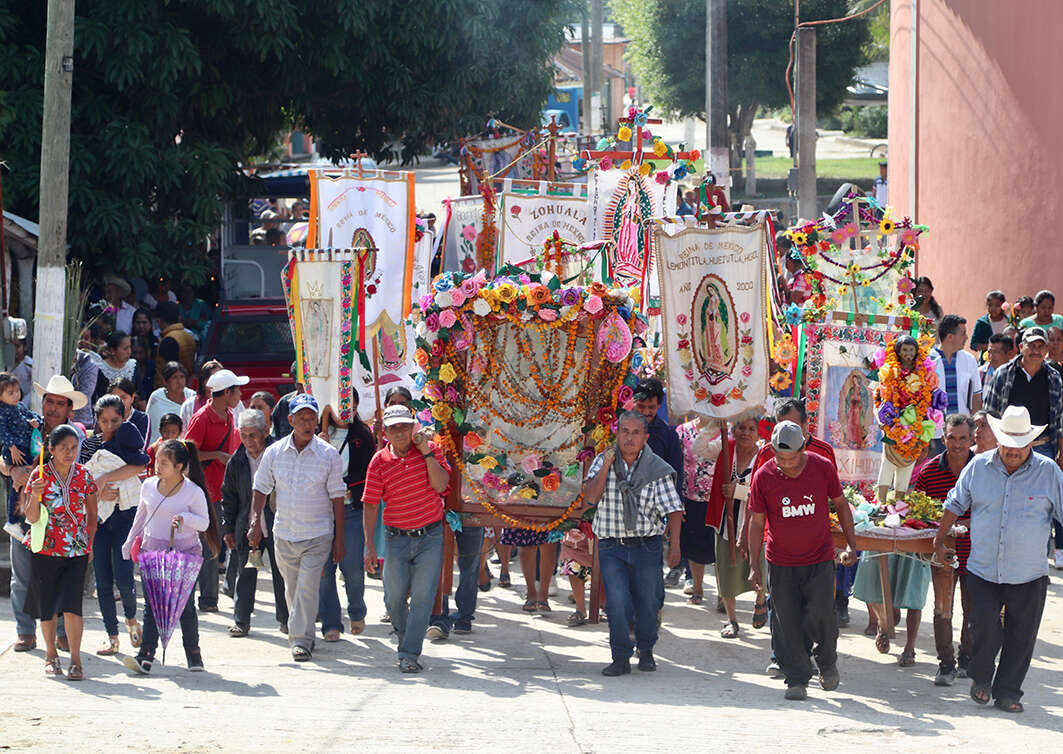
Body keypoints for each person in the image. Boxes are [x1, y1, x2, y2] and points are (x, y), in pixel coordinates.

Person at [935, 406, 1063, 713]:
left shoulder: (1049, 472)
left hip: (1029, 572)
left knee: (1021, 635)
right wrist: (939, 541)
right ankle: (981, 678)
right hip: (983, 568)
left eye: (1021, 444)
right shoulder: (978, 467)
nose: (1014, 451)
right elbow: (954, 502)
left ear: (1031, 443)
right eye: (1008, 443)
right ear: (999, 440)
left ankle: (1008, 693)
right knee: (982, 626)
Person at [747, 421, 857, 700]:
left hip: (818, 559)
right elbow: (757, 522)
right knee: (787, 623)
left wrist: (851, 544)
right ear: (772, 451)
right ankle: (796, 678)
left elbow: (841, 504)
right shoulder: (763, 476)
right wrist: (753, 564)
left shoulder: (822, 467)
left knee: (821, 614)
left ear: (803, 448)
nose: (786, 464)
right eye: (780, 458)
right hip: (781, 562)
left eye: (792, 457)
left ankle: (827, 660)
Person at [583, 411, 683, 677]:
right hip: (611, 545)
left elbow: (674, 509)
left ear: (645, 437)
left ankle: (647, 648)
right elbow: (591, 498)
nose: (629, 437)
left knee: (648, 602)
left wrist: (675, 547)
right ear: (618, 434)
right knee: (616, 602)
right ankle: (620, 656)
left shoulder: (656, 468)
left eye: (635, 432)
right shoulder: (603, 460)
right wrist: (606, 465)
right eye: (624, 431)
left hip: (646, 545)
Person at [249, 393, 345, 662]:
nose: (307, 423)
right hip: (284, 534)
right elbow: (260, 488)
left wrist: (339, 539)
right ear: (290, 420)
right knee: (293, 590)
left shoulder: (328, 455)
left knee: (306, 588)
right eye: (301, 417)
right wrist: (255, 522)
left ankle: (301, 640)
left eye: (311, 418)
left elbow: (338, 497)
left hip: (317, 535)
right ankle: (302, 632)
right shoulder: (275, 452)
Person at [2, 376, 87, 652]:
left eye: (58, 403)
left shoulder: (76, 437)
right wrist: (12, 469)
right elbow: (2, 454)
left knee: (60, 577)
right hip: (25, 510)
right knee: (23, 577)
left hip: (63, 520)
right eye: (48, 401)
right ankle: (26, 631)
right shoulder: (27, 424)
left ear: (69, 409)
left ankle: (62, 632)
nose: (51, 408)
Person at [121, 439, 220, 674]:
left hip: (183, 553)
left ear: (180, 467)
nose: (158, 466)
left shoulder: (193, 492)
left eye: (164, 463)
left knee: (184, 605)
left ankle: (193, 654)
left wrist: (185, 517)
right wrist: (129, 541)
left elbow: (204, 522)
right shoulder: (148, 486)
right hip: (152, 550)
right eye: (157, 461)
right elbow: (141, 515)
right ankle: (146, 655)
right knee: (152, 604)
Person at [361, 405, 448, 672]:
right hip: (396, 538)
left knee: (423, 598)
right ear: (386, 432)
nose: (400, 432)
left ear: (413, 428)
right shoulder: (379, 461)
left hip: (430, 536)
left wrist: (426, 453)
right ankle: (405, 637)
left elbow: (441, 485)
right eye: (394, 428)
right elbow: (371, 504)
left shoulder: (430, 451)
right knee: (394, 598)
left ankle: (409, 653)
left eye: (405, 426)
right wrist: (370, 547)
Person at [20, 424, 97, 680]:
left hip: (76, 550)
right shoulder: (39, 475)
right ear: (50, 449)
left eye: (74, 448)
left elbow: (92, 514)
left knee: (73, 606)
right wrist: (36, 495)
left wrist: (90, 544)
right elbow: (31, 517)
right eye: (63, 448)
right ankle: (51, 655)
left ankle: (76, 660)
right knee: (48, 605)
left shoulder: (84, 475)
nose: (69, 452)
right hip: (46, 548)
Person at [982, 326, 1063, 567]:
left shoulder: (1054, 377)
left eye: (1041, 346)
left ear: (1047, 349)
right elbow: (991, 411)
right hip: (1007, 447)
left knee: (1040, 506)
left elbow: (1060, 420)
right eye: (1032, 345)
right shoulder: (1004, 374)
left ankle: (1036, 560)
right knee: (1006, 500)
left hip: (1042, 445)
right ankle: (1003, 557)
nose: (1036, 351)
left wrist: (1061, 454)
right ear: (1021, 347)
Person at [909, 414, 976, 685]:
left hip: (977, 552)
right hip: (943, 551)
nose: (957, 444)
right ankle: (946, 664)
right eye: (952, 437)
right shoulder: (929, 471)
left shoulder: (983, 468)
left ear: (972, 439)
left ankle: (968, 660)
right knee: (942, 608)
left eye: (963, 438)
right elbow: (917, 510)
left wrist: (965, 523)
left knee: (973, 610)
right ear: (944, 438)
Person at [81, 394, 148, 656]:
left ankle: (131, 619)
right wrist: (97, 492)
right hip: (98, 518)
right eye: (104, 421)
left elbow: (140, 465)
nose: (110, 426)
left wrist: (105, 478)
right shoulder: (88, 446)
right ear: (97, 420)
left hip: (124, 515)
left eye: (115, 420)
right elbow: (82, 482)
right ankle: (112, 637)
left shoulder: (128, 439)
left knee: (123, 575)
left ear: (124, 418)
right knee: (103, 580)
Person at [220, 409, 288, 637]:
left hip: (278, 523)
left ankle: (287, 620)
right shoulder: (237, 460)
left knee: (282, 575)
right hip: (247, 526)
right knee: (245, 573)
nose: (249, 441)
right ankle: (241, 620)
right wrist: (228, 527)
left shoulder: (280, 453)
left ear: (265, 431)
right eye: (244, 435)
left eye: (253, 435)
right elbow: (228, 497)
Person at [183, 368, 247, 611]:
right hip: (204, 491)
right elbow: (187, 452)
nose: (241, 393)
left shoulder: (230, 414)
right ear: (227, 392)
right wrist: (216, 455)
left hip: (225, 489)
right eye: (237, 390)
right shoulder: (201, 418)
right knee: (209, 543)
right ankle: (208, 599)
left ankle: (219, 592)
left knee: (223, 541)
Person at [318, 393, 375, 641]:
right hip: (321, 511)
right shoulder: (315, 436)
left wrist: (349, 485)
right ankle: (331, 622)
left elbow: (369, 470)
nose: (344, 409)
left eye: (348, 403)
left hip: (351, 509)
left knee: (351, 566)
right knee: (323, 568)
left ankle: (356, 610)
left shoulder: (363, 435)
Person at [715, 417, 768, 638]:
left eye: (751, 429)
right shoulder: (727, 451)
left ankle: (760, 600)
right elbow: (698, 447)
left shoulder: (765, 456)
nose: (745, 432)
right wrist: (710, 420)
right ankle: (731, 620)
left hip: (756, 522)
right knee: (726, 569)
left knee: (758, 565)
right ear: (734, 431)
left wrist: (737, 491)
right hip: (725, 520)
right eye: (741, 428)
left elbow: (764, 490)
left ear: (758, 434)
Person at [632, 378, 683, 586]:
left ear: (659, 406)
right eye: (641, 406)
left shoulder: (668, 435)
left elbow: (676, 475)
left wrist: (675, 515)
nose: (645, 412)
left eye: (651, 407)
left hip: (652, 511)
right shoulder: (620, 428)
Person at [674, 416, 723, 607]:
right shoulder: (683, 431)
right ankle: (698, 588)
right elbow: (676, 464)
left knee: (719, 549)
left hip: (718, 500)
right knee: (694, 547)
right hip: (690, 497)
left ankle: (722, 593)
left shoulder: (726, 429)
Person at [931, 315, 982, 456]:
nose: (966, 338)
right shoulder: (928, 359)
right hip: (934, 434)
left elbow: (976, 396)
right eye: (963, 333)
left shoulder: (969, 360)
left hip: (962, 434)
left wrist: (974, 428)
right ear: (950, 337)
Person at [0, 372, 42, 536]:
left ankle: (22, 516)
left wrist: (36, 422)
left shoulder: (19, 406)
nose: (16, 395)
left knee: (26, 481)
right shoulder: (2, 411)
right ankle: (13, 520)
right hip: (16, 451)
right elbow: (2, 431)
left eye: (17, 391)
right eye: (10, 393)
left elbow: (33, 416)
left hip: (26, 448)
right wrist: (11, 447)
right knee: (18, 483)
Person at [145, 362, 194, 444]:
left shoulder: (192, 397)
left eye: (182, 377)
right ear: (165, 381)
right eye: (174, 378)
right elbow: (152, 429)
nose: (179, 382)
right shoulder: (157, 398)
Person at [89, 331, 139, 404]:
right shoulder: (100, 369)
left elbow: (140, 396)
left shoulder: (133, 366)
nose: (129, 352)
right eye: (125, 349)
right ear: (113, 350)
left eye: (130, 347)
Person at [154, 301, 196, 386]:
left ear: (159, 321)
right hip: (186, 384)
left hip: (170, 390)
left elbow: (170, 372)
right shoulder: (188, 336)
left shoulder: (168, 340)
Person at [108, 376, 150, 443]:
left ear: (132, 398)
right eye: (115, 398)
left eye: (123, 397)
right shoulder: (103, 416)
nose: (119, 401)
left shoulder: (142, 418)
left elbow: (142, 446)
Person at [272, 362, 304, 439]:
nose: (306, 388)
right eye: (301, 384)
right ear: (295, 382)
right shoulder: (283, 404)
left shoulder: (326, 405)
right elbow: (275, 438)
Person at [12, 339, 32, 407]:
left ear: (25, 347)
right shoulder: (8, 364)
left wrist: (24, 403)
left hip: (26, 401)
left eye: (17, 346)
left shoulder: (28, 363)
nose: (14, 350)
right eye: (12, 347)